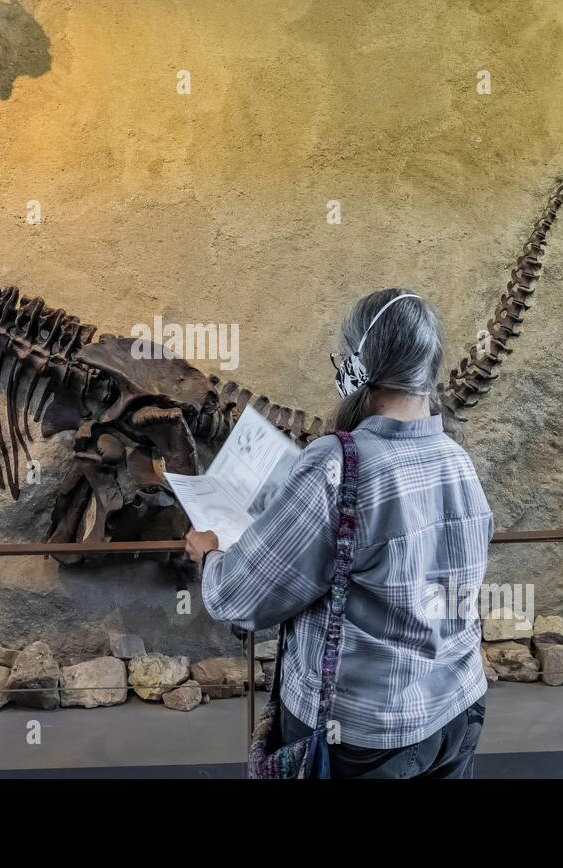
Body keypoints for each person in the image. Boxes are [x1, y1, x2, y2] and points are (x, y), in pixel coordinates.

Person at [185, 288, 492, 778]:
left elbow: (241, 598)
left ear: (358, 362)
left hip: (362, 736)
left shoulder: (337, 465)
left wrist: (212, 557)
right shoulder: (459, 463)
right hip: (456, 712)